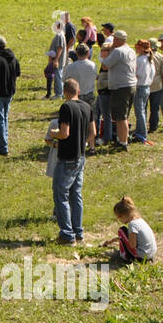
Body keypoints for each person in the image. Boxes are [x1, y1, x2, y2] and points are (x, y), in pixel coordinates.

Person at [47, 78, 93, 244]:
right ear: (78, 91)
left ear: (65, 92)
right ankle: (78, 232)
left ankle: (67, 234)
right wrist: (82, 142)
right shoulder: (87, 106)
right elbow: (92, 132)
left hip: (67, 158)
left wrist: (53, 133)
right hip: (81, 157)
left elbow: (64, 133)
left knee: (61, 195)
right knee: (76, 195)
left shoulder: (66, 107)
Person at [104, 29, 137, 150]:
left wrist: (111, 48)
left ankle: (123, 142)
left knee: (120, 117)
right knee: (123, 116)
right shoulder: (131, 50)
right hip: (130, 84)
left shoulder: (117, 51)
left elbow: (105, 65)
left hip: (120, 87)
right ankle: (123, 138)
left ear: (117, 40)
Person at [63, 44, 97, 148]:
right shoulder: (93, 65)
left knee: (76, 120)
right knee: (91, 120)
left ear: (76, 53)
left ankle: (77, 142)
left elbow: (63, 79)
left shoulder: (71, 67)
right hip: (89, 94)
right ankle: (92, 145)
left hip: (75, 96)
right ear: (88, 53)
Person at [104, 197, 157, 263]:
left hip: (141, 257)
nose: (119, 220)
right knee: (124, 233)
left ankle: (123, 256)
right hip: (151, 254)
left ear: (122, 216)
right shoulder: (140, 220)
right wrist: (111, 241)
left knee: (121, 230)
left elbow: (132, 245)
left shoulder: (132, 225)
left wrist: (121, 240)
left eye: (118, 218)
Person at [133, 39, 155, 146]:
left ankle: (142, 133)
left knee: (139, 112)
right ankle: (141, 130)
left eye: (137, 47)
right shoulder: (149, 59)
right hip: (147, 87)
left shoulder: (140, 60)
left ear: (142, 48)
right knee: (143, 111)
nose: (135, 48)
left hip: (140, 87)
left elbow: (137, 74)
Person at [95, 42, 113, 147]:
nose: (101, 52)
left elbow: (111, 79)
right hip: (101, 92)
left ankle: (107, 137)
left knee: (106, 116)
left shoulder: (108, 64)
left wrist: (102, 81)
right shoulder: (103, 63)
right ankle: (96, 134)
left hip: (106, 93)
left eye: (103, 50)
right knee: (96, 113)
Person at [46, 20, 68, 99]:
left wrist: (56, 60)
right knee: (58, 75)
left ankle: (59, 94)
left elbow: (60, 48)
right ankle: (60, 93)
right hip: (58, 59)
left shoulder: (59, 35)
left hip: (58, 60)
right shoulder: (60, 35)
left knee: (58, 76)